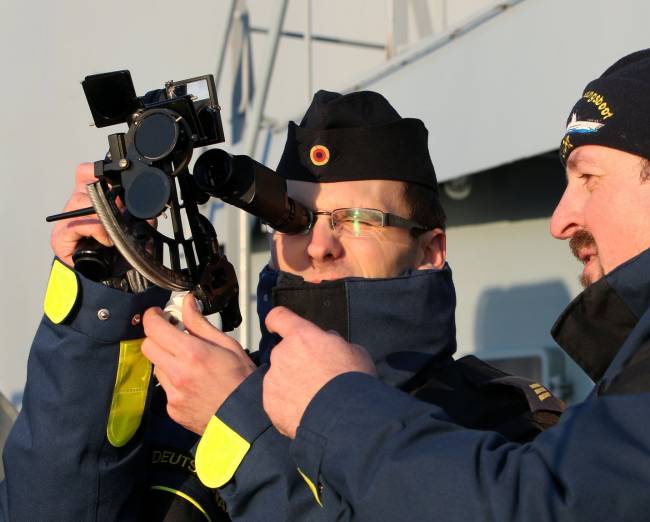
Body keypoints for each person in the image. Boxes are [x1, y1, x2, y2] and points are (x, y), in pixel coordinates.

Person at [260, 42, 650, 520]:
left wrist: (281, 423)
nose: (559, 219)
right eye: (291, 221)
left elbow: (554, 505)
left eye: (589, 177)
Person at [0, 91, 561, 521]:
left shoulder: (501, 440)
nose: (318, 244)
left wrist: (239, 425)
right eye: (294, 219)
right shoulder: (192, 395)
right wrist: (98, 306)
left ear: (429, 249)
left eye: (358, 220)